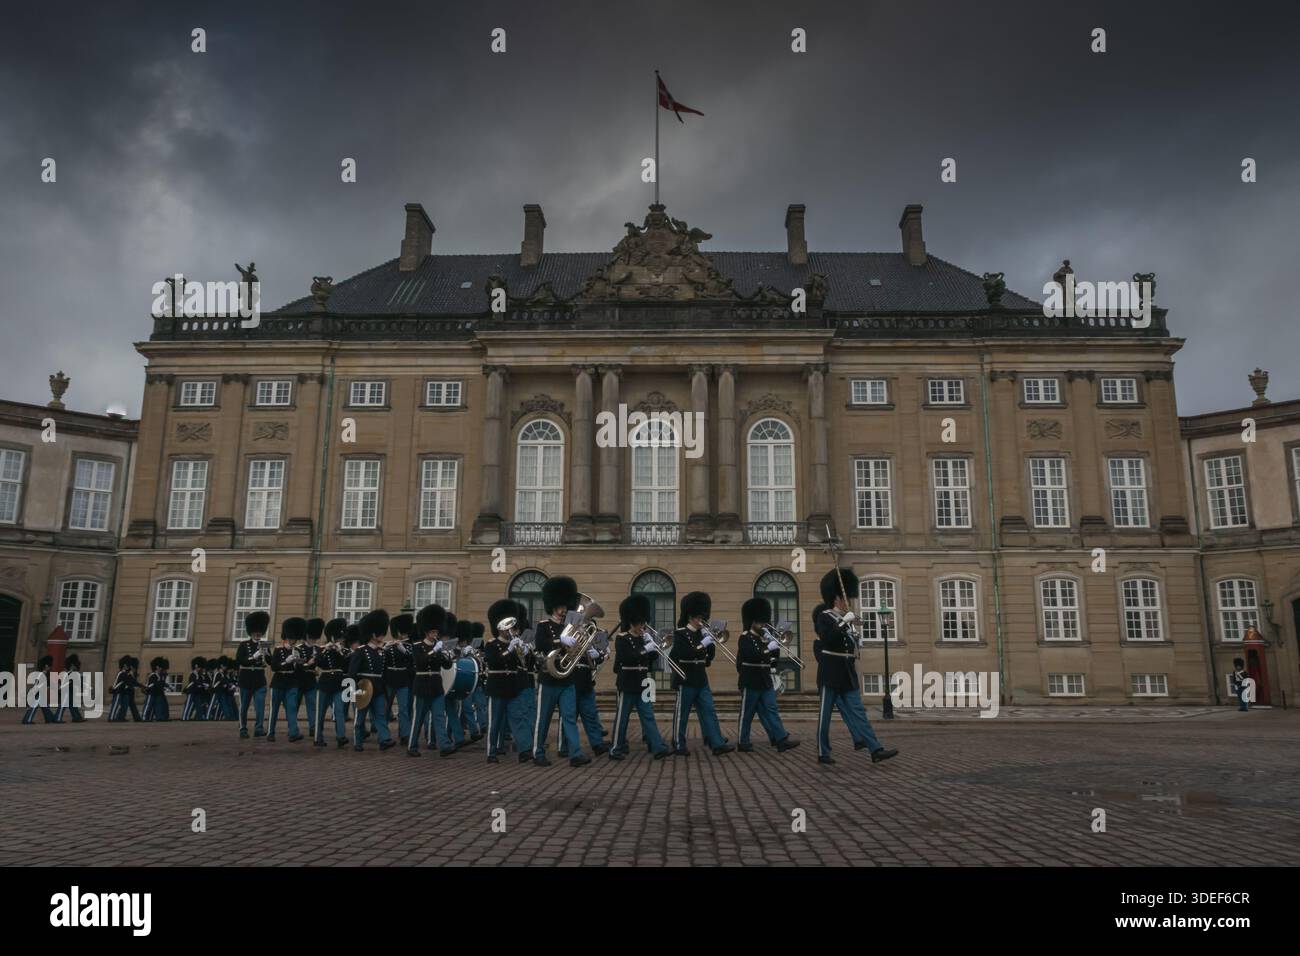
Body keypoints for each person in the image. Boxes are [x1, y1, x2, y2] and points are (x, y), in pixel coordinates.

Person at [814, 568, 898, 766]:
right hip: (830, 672)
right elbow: (828, 639)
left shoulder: (846, 620)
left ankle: (875, 749)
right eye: (845, 598)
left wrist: (855, 640)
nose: (848, 602)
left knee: (859, 712)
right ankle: (822, 751)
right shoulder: (824, 617)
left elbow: (848, 646)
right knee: (825, 715)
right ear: (836, 599)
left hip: (847, 673)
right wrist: (844, 622)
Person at [532, 576, 590, 767]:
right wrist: (560, 641)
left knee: (569, 718)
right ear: (553, 606)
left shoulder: (571, 627)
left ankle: (575, 754)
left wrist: (580, 643)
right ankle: (538, 752)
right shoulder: (543, 625)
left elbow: (576, 652)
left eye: (565, 605)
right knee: (544, 719)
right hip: (549, 678)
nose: (563, 609)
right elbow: (540, 644)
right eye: (560, 606)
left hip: (566, 679)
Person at [668, 592, 734, 757]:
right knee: (682, 715)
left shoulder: (701, 633)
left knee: (709, 711)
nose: (702, 620)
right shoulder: (681, 633)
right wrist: (702, 643)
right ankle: (678, 743)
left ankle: (716, 743)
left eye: (703, 617)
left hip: (701, 679)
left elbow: (709, 657)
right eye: (699, 617)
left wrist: (709, 641)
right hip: (686, 678)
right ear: (691, 616)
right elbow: (684, 654)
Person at [608, 594, 670, 760]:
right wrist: (645, 649)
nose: (643, 626)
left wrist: (654, 647)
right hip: (627, 682)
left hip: (644, 681)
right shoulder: (622, 639)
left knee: (648, 715)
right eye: (640, 623)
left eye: (644, 622)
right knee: (622, 718)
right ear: (632, 622)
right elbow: (627, 657)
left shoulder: (644, 638)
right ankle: (615, 748)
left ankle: (657, 747)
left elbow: (653, 659)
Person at [735, 597, 798, 753]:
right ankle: (743, 742)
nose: (763, 625)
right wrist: (767, 648)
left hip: (765, 680)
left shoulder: (764, 637)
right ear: (753, 621)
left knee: (772, 709)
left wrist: (775, 646)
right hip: (751, 680)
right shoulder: (745, 638)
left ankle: (781, 739)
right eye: (760, 622)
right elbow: (750, 655)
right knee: (747, 713)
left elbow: (772, 661)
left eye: (764, 622)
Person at [409, 604, 454, 757]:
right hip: (421, 685)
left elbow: (446, 666)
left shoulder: (439, 647)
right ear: (426, 632)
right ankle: (412, 746)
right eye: (432, 632)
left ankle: (445, 745)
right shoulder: (417, 647)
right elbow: (420, 662)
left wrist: (447, 655)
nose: (435, 634)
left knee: (439, 716)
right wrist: (433, 651)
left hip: (436, 685)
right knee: (418, 719)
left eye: (436, 631)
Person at [349, 609, 395, 751]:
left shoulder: (382, 652)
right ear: (373, 634)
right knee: (360, 717)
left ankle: (384, 739)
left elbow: (385, 672)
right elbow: (352, 672)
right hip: (363, 686)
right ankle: (358, 741)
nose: (382, 636)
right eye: (380, 633)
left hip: (378, 688)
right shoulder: (361, 651)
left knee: (380, 715)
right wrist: (352, 691)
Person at [483, 600, 523, 763]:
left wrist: (523, 650)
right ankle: (491, 751)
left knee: (515, 720)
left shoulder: (514, 643)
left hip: (512, 685)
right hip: (497, 686)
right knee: (495, 721)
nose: (510, 631)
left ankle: (522, 748)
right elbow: (493, 661)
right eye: (507, 628)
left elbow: (523, 665)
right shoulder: (492, 644)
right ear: (499, 628)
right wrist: (509, 650)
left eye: (511, 628)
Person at [267, 617, 306, 742]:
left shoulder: (298, 650)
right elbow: (274, 667)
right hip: (278, 682)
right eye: (291, 639)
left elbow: (299, 671)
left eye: (294, 639)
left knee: (292, 708)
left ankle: (293, 732)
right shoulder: (278, 650)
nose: (292, 641)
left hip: (291, 682)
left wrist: (298, 663)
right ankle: (270, 732)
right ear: (286, 638)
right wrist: (286, 661)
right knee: (274, 709)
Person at [313, 618, 351, 747]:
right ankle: (318, 737)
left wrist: (339, 650)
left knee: (339, 711)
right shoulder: (322, 649)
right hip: (324, 683)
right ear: (333, 637)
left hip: (338, 684)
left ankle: (341, 736)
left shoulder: (344, 651)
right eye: (339, 638)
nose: (342, 640)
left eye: (342, 638)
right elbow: (317, 662)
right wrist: (325, 650)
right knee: (321, 712)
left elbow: (346, 665)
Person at [507, 601, 536, 762]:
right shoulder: (506, 643)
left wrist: (528, 649)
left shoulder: (526, 642)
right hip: (512, 680)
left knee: (526, 713)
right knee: (517, 715)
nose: (514, 632)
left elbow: (533, 662)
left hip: (526, 679)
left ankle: (527, 745)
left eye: (516, 629)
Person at [235, 611, 270, 738]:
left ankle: (259, 728)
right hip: (246, 678)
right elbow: (239, 660)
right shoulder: (243, 645)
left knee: (260, 706)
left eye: (259, 631)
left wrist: (267, 654)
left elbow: (270, 662)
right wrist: (252, 657)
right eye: (256, 631)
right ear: (251, 632)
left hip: (259, 678)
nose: (258, 634)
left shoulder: (264, 644)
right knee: (244, 706)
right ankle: (243, 728)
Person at [385, 613, 416, 745]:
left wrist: (403, 649)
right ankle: (384, 734)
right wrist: (385, 648)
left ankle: (404, 734)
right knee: (386, 707)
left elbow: (413, 659)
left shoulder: (408, 647)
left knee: (403, 708)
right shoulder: (388, 646)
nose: (404, 635)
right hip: (389, 679)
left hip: (403, 679)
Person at [299, 618, 324, 739]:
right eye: (312, 637)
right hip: (299, 679)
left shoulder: (317, 649)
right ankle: (292, 728)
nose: (314, 639)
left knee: (312, 705)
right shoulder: (299, 648)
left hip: (311, 680)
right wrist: (308, 663)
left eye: (315, 637)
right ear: (307, 636)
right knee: (295, 705)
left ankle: (313, 727)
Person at [22, 655, 60, 724]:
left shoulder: (43, 674)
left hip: (40, 693)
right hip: (37, 693)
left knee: (45, 707)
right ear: (46, 666)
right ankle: (27, 720)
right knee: (33, 707)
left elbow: (47, 683)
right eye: (49, 666)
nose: (50, 668)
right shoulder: (41, 674)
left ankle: (50, 718)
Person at [55, 653, 85, 723]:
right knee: (62, 706)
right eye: (75, 666)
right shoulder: (68, 673)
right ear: (72, 665)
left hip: (70, 691)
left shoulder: (71, 673)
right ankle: (57, 718)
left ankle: (77, 717)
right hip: (66, 691)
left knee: (73, 705)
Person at [141, 657, 170, 721]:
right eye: (160, 667)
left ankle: (159, 717)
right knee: (148, 705)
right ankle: (144, 718)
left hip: (156, 692)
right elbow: (151, 685)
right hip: (151, 692)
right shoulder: (153, 675)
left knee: (158, 705)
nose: (162, 669)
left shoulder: (159, 675)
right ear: (157, 667)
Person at [182, 656, 208, 721]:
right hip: (191, 691)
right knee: (188, 705)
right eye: (199, 667)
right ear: (196, 666)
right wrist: (203, 684)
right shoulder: (192, 674)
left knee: (199, 705)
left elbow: (200, 681)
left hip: (197, 691)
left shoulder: (199, 674)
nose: (200, 669)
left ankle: (200, 717)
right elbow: (195, 681)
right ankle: (184, 717)